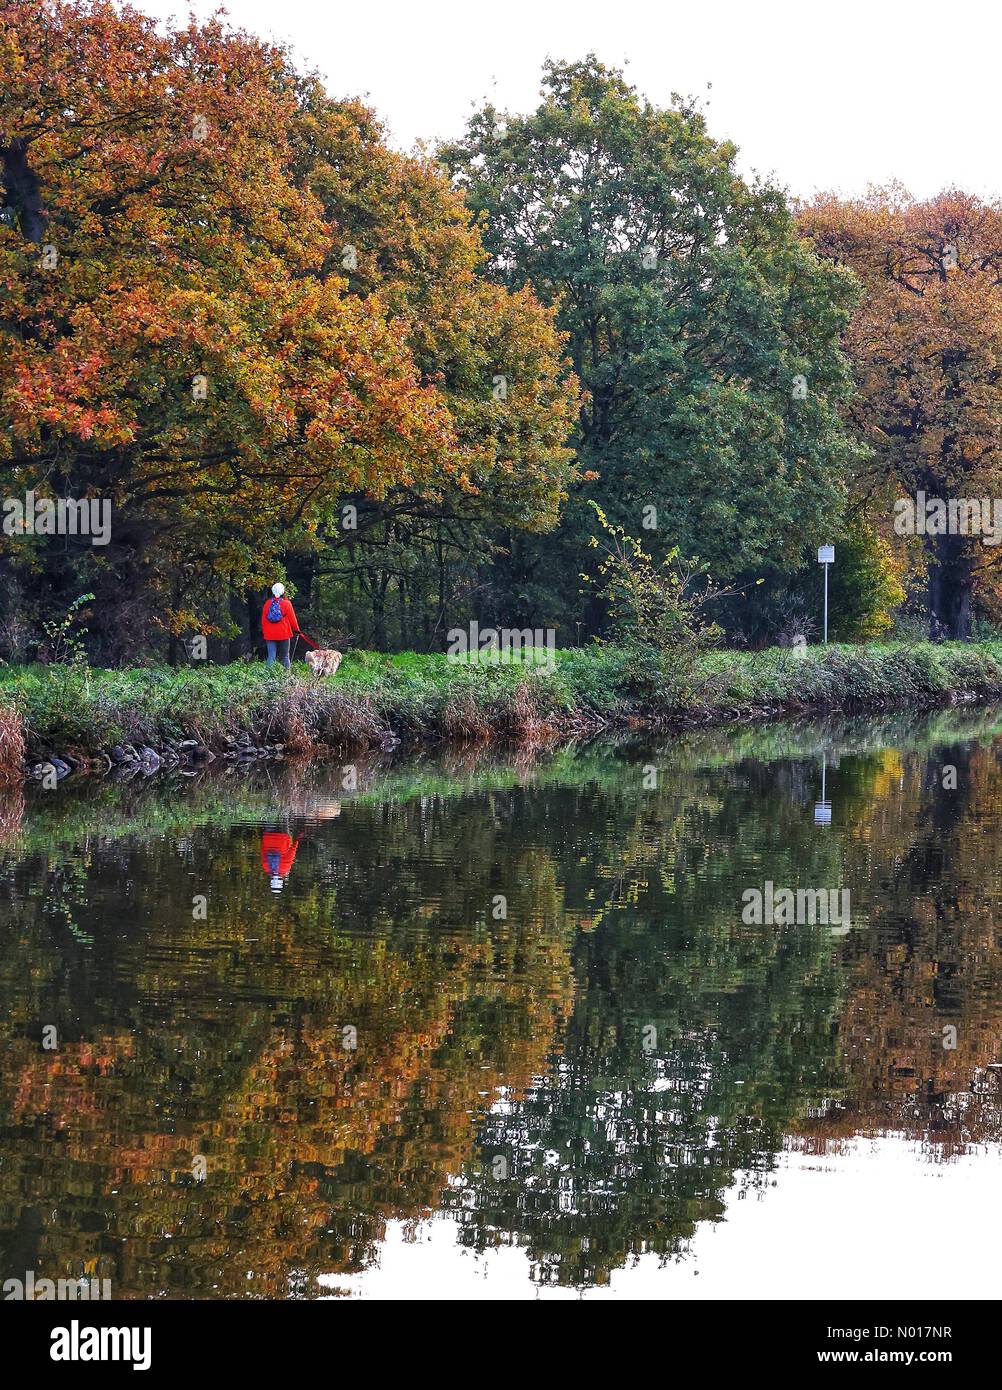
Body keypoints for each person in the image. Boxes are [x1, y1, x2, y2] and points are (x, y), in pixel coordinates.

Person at [261, 582, 301, 669]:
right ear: (283, 592)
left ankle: (268, 676)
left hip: (270, 634)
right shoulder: (287, 603)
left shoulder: (267, 604)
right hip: (284, 633)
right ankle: (286, 676)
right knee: (285, 656)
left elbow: (263, 620)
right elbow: (292, 619)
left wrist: (265, 632)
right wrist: (297, 630)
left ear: (272, 592)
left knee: (271, 656)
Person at [261, 828, 301, 893]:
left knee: (287, 826)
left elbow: (292, 851)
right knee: (269, 821)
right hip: (268, 836)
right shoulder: (266, 868)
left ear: (281, 881)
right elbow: (262, 849)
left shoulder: (285, 869)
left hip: (283, 837)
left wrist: (297, 841)